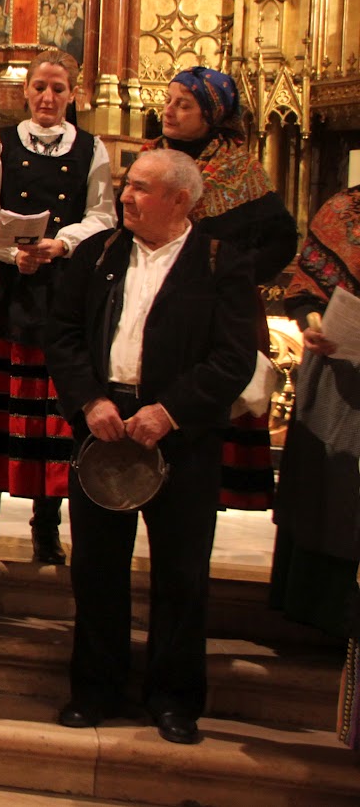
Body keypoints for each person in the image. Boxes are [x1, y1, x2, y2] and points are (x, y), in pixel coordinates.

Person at [44, 148, 260, 746]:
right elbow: (62, 335)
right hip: (104, 424)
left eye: (141, 187)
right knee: (96, 568)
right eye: (127, 185)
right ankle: (95, 688)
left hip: (182, 435)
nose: (126, 196)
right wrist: (89, 401)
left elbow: (234, 357)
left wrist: (170, 412)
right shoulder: (99, 254)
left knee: (181, 573)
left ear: (180, 200)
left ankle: (174, 699)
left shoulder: (221, 263)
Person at [0, 49, 116, 563]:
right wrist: (13, 252)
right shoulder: (1, 142)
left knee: (52, 409)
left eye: (58, 89)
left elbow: (103, 214)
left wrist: (61, 244)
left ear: (73, 93)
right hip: (7, 284)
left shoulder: (92, 149)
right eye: (40, 87)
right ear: (26, 90)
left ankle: (46, 528)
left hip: (63, 288)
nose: (48, 97)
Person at [146, 66, 297, 510]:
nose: (169, 111)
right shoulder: (151, 158)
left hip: (221, 315)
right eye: (168, 100)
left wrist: (232, 276)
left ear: (211, 114)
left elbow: (282, 239)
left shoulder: (240, 169)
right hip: (156, 304)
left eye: (183, 105)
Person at [270, 187, 360, 646]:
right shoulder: (344, 211)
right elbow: (305, 292)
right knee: (332, 489)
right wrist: (313, 325)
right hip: (341, 369)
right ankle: (322, 610)